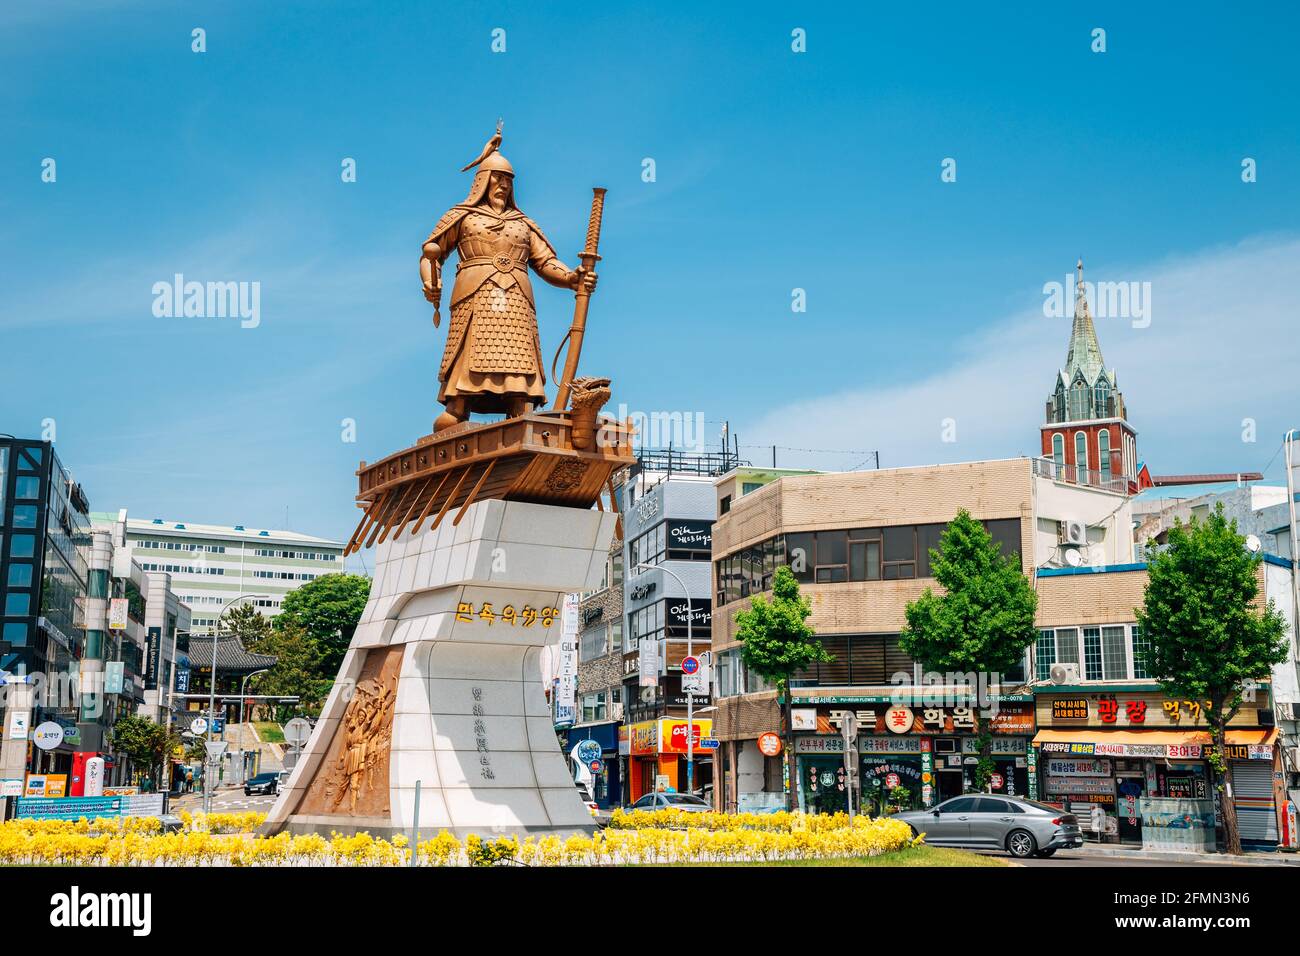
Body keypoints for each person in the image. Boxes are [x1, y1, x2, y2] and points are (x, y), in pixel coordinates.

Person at [420, 125, 596, 431]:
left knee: (519, 375)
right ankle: (458, 412)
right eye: (497, 178)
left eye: (507, 180)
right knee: (466, 369)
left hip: (516, 303)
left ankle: (519, 415)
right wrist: (430, 281)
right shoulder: (462, 216)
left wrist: (572, 277)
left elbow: (544, 261)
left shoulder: (523, 224)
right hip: (475, 298)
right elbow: (430, 252)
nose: (502, 185)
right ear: (482, 181)